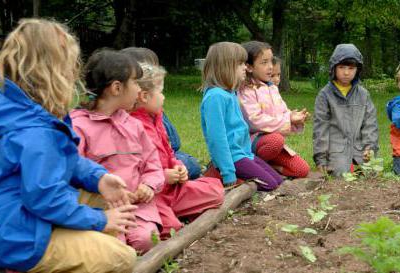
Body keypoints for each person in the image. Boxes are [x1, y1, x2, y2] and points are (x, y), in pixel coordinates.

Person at [0, 19, 137, 272]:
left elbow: (65, 159)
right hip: (23, 241)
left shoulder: (29, 113)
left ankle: (82, 246)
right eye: (70, 65)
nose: (74, 74)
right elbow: (45, 198)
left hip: (20, 223)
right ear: (53, 71)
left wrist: (99, 177)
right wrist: (99, 220)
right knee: (122, 257)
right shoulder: (35, 131)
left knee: (104, 195)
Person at [71, 50, 164, 253]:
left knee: (148, 240)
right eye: (136, 83)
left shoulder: (133, 125)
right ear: (116, 87)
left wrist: (148, 185)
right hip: (101, 210)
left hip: (138, 208)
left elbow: (152, 163)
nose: (139, 89)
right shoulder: (78, 127)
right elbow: (73, 174)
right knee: (116, 248)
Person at [130, 62, 224, 238]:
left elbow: (168, 150)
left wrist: (177, 165)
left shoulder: (156, 118)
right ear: (144, 96)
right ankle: (170, 214)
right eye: (161, 92)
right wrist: (163, 176)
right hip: (151, 195)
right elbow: (133, 170)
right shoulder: (132, 126)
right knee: (170, 229)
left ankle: (176, 209)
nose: (164, 97)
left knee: (216, 191)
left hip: (171, 190)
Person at [200, 42, 284, 190]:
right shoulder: (215, 97)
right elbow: (217, 139)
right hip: (233, 159)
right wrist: (228, 172)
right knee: (269, 185)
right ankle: (216, 175)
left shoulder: (230, 93)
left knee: (277, 181)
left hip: (244, 154)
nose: (245, 67)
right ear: (226, 66)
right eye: (240, 64)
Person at [121, 47, 203, 179]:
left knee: (189, 163)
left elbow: (172, 145)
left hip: (168, 158)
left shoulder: (154, 112)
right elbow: (172, 143)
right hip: (157, 173)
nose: (163, 96)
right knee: (192, 165)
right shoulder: (134, 121)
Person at [237, 41, 310, 178]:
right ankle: (255, 165)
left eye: (271, 61)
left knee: (302, 170)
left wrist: (294, 117)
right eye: (264, 62)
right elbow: (255, 121)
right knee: (276, 140)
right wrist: (288, 120)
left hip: (273, 145)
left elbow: (284, 112)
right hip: (254, 143)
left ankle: (270, 168)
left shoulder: (272, 88)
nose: (270, 67)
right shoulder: (246, 89)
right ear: (249, 67)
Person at [313, 43, 378, 175]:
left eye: (351, 68)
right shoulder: (325, 95)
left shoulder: (363, 94)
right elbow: (321, 129)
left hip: (360, 151)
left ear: (357, 70)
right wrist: (321, 159)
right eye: (342, 67)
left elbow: (370, 125)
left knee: (370, 177)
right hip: (336, 152)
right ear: (333, 68)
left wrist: (369, 148)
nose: (346, 72)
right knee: (340, 176)